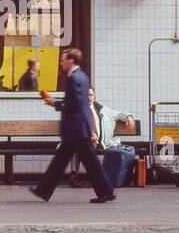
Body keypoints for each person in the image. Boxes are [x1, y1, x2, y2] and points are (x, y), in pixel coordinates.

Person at [30, 48, 116, 204]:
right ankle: (43, 190)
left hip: (75, 128)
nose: (61, 62)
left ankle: (106, 191)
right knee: (69, 161)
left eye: (63, 59)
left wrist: (54, 103)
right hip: (79, 127)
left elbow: (74, 104)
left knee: (81, 162)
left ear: (71, 61)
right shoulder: (82, 76)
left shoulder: (74, 78)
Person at [89, 85, 137, 189]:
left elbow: (118, 114)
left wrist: (129, 117)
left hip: (105, 144)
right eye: (86, 95)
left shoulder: (103, 110)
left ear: (94, 96)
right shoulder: (80, 111)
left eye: (91, 95)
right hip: (88, 144)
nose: (89, 97)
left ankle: (112, 182)